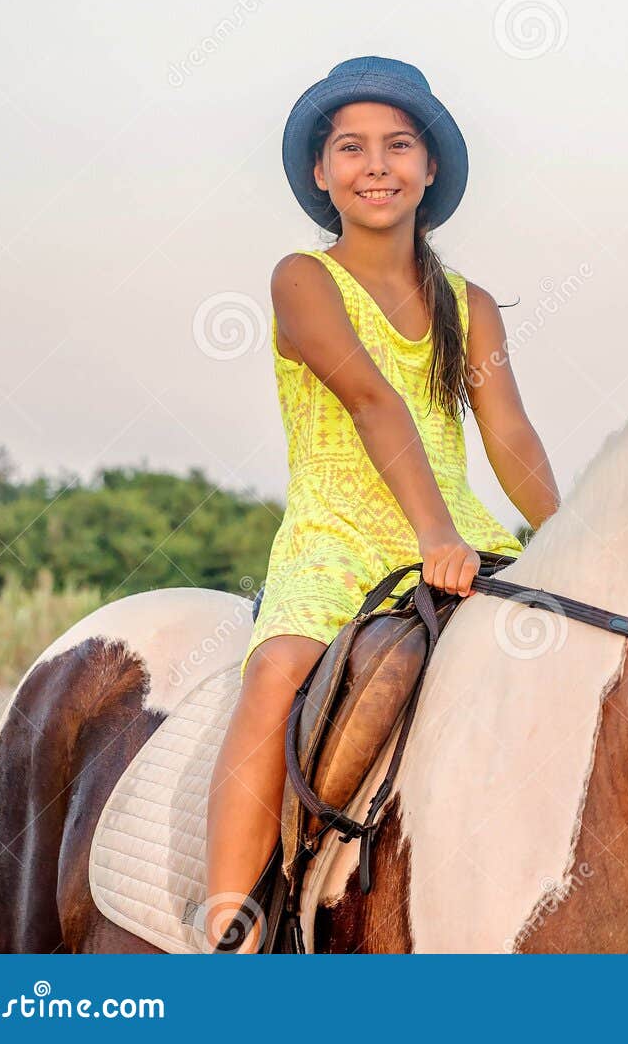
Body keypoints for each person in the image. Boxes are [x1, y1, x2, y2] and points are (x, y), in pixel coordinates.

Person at [205, 56, 561, 950]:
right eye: (352, 147)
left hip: (462, 534)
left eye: (398, 145)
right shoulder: (303, 279)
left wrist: (568, 536)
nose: (376, 165)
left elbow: (509, 435)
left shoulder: (469, 304)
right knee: (279, 670)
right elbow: (373, 401)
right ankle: (227, 924)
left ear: (430, 167)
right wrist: (430, 534)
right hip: (338, 534)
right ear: (322, 173)